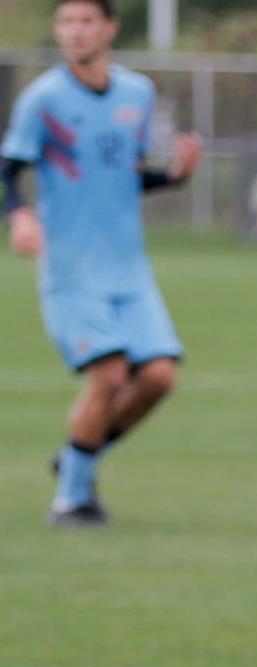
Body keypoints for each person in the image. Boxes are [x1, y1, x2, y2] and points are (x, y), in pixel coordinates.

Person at [3, 0, 202, 527]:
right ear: (58, 30)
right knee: (110, 373)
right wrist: (20, 216)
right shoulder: (43, 98)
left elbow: (126, 175)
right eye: (67, 21)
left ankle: (77, 456)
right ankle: (71, 500)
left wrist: (175, 176)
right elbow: (10, 169)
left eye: (87, 20)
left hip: (128, 269)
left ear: (110, 28)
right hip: (71, 268)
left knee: (159, 377)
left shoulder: (137, 93)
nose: (76, 31)